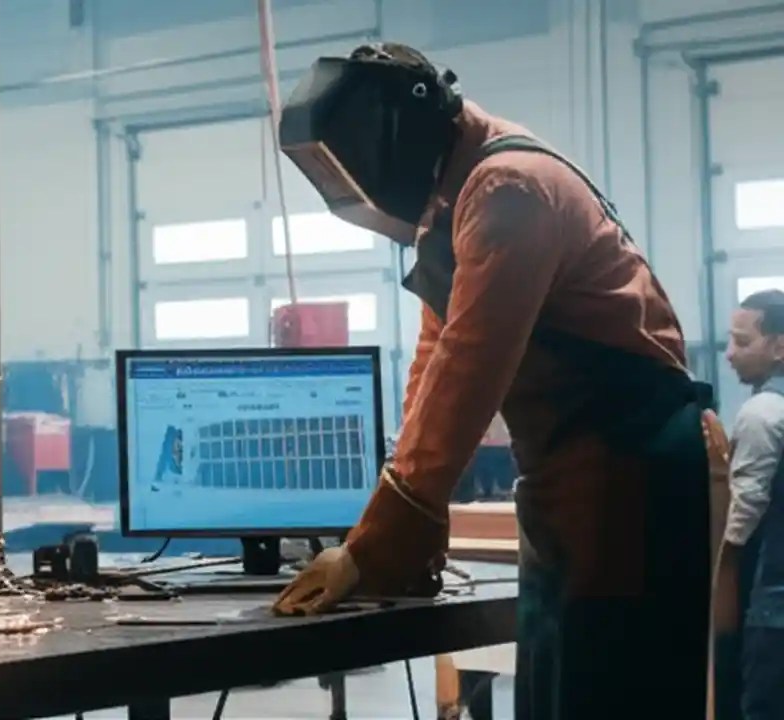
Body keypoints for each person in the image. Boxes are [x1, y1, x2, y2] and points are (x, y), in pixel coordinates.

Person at [271, 43, 730, 718]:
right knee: (556, 690)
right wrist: (394, 508)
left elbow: (471, 363)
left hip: (634, 477)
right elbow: (435, 358)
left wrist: (382, 538)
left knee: (613, 692)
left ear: (400, 137)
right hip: (566, 479)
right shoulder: (453, 201)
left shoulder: (510, 188)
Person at [722, 289, 784, 719]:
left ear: (779, 347)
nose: (729, 353)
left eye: (742, 342)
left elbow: (742, 516)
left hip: (773, 610)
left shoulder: (763, 412)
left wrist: (720, 584)